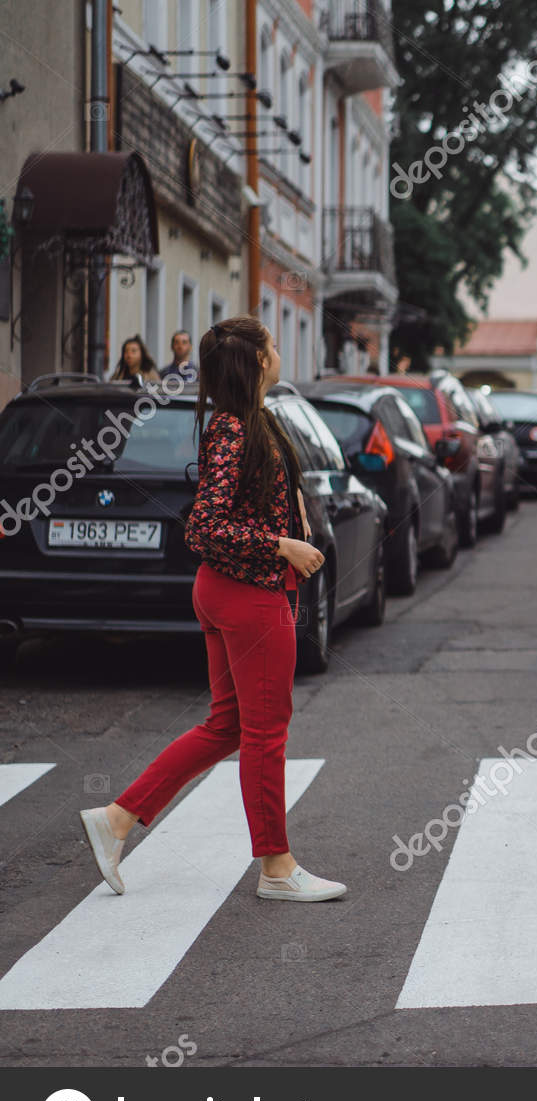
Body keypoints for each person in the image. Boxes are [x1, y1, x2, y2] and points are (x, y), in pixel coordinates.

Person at [77, 316, 347, 903]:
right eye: (271, 346)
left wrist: (288, 516)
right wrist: (281, 545)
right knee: (266, 734)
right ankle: (277, 867)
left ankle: (118, 819)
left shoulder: (249, 423)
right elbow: (205, 525)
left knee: (227, 726)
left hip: (228, 591)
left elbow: (241, 506)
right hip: (248, 597)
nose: (278, 352)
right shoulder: (234, 431)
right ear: (254, 362)